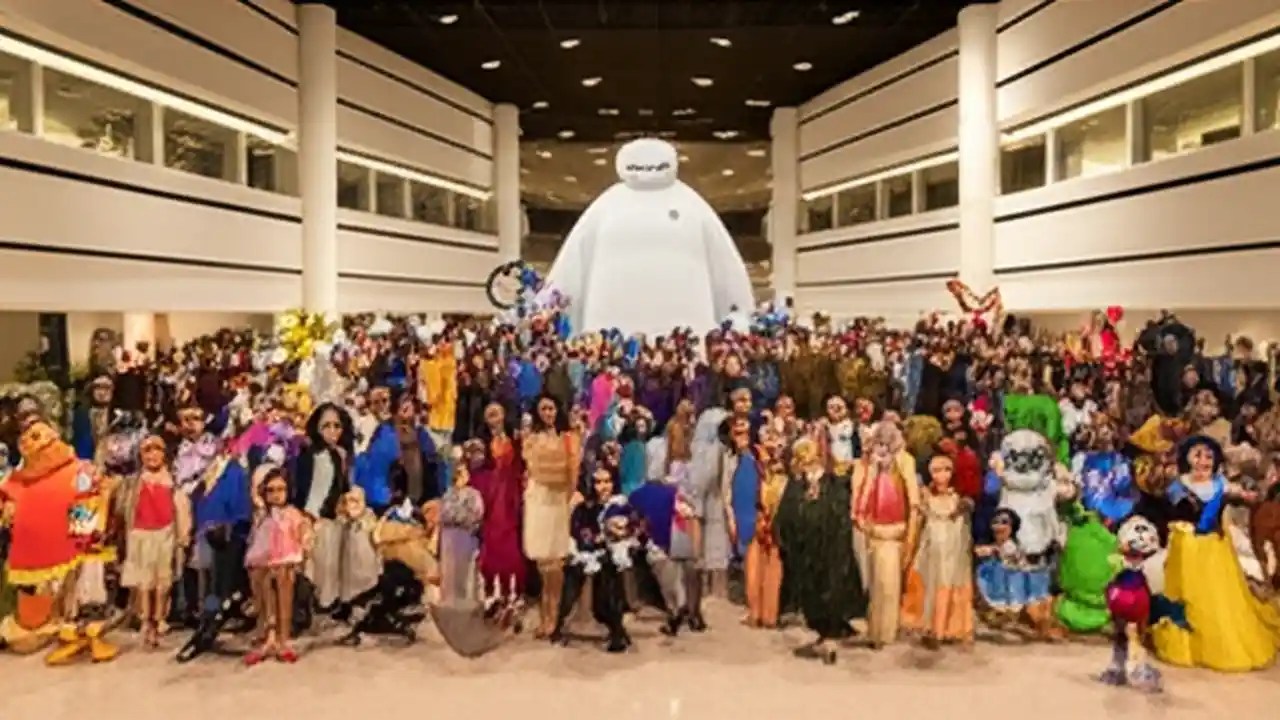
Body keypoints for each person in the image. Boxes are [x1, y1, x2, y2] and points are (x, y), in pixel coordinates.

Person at [1151, 435, 1280, 672]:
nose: (1203, 461)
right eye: (1197, 455)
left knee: (1219, 600)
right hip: (1187, 550)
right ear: (1187, 458)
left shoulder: (1221, 485)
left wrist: (1261, 489)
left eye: (1208, 456)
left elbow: (1249, 497)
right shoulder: (1177, 486)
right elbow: (1164, 511)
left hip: (1215, 551)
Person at [774, 437, 866, 664]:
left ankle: (829, 639)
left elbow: (841, 517)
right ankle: (823, 637)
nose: (808, 465)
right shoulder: (795, 486)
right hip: (806, 552)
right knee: (811, 597)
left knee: (831, 595)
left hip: (831, 551)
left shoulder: (834, 484)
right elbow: (785, 517)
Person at [522, 394, 579, 638]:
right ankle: (545, 616)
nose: (548, 413)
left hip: (558, 501)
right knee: (543, 564)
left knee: (556, 564)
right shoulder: (531, 439)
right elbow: (530, 470)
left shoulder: (568, 439)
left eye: (551, 408)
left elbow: (573, 471)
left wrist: (568, 497)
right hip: (539, 500)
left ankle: (553, 617)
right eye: (543, 409)